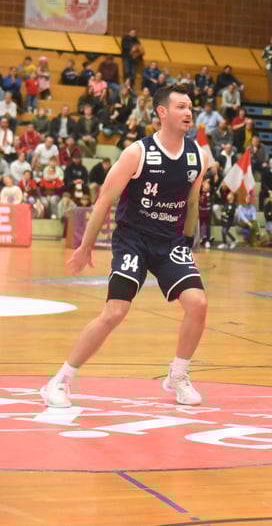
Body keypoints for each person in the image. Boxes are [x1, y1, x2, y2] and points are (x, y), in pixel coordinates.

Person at [40, 85, 209, 408]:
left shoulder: (196, 155)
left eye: (190, 107)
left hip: (171, 243)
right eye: (181, 107)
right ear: (162, 112)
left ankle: (178, 375)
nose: (188, 113)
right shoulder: (137, 152)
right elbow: (104, 200)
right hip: (133, 240)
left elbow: (192, 200)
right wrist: (85, 247)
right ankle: (60, 380)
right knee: (115, 311)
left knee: (198, 303)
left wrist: (189, 243)